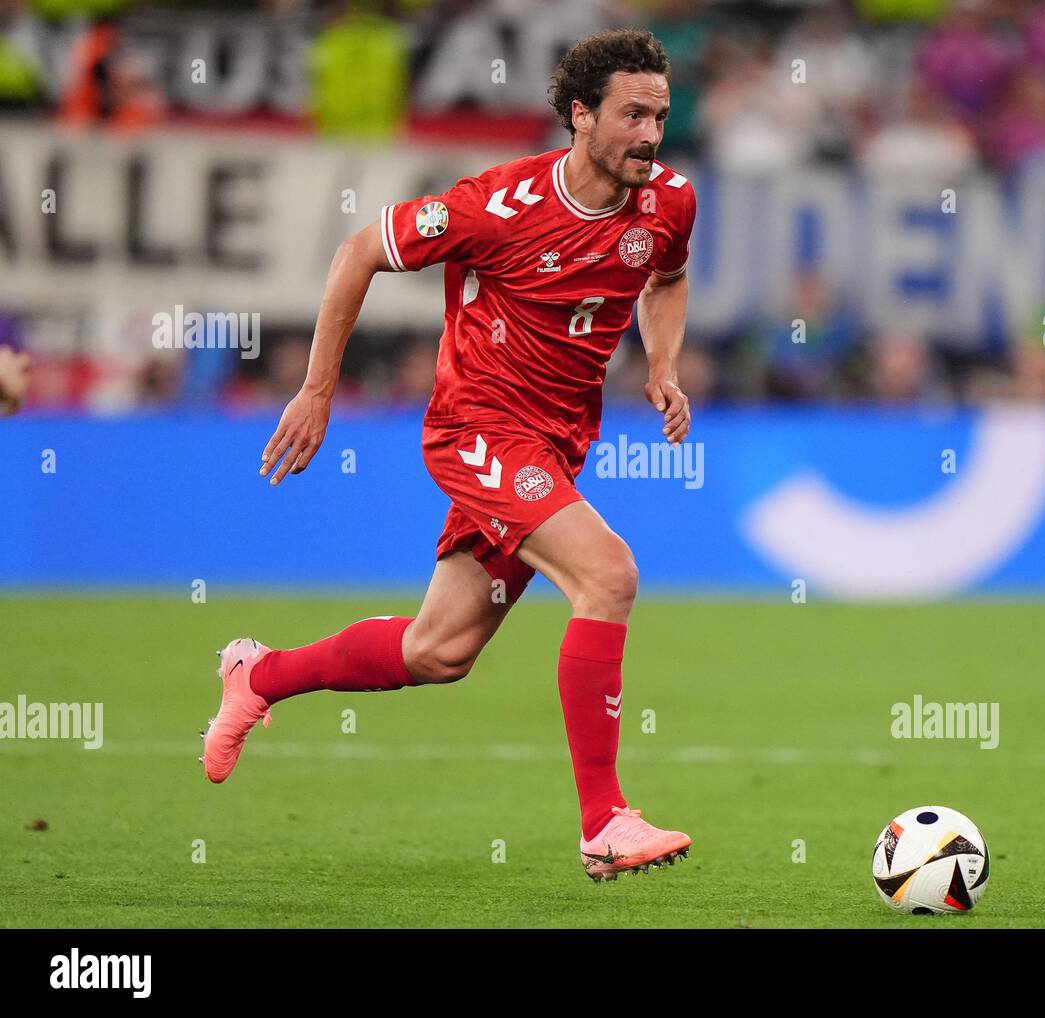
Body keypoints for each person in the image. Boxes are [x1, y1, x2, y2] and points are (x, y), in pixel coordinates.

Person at [201, 29, 696, 883]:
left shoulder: (670, 203)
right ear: (581, 116)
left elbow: (668, 278)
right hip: (478, 429)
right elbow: (359, 251)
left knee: (440, 652)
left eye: (659, 115)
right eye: (632, 116)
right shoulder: (493, 206)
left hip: (556, 444)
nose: (650, 136)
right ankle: (604, 820)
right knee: (608, 575)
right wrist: (320, 389)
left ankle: (258, 675)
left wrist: (661, 364)